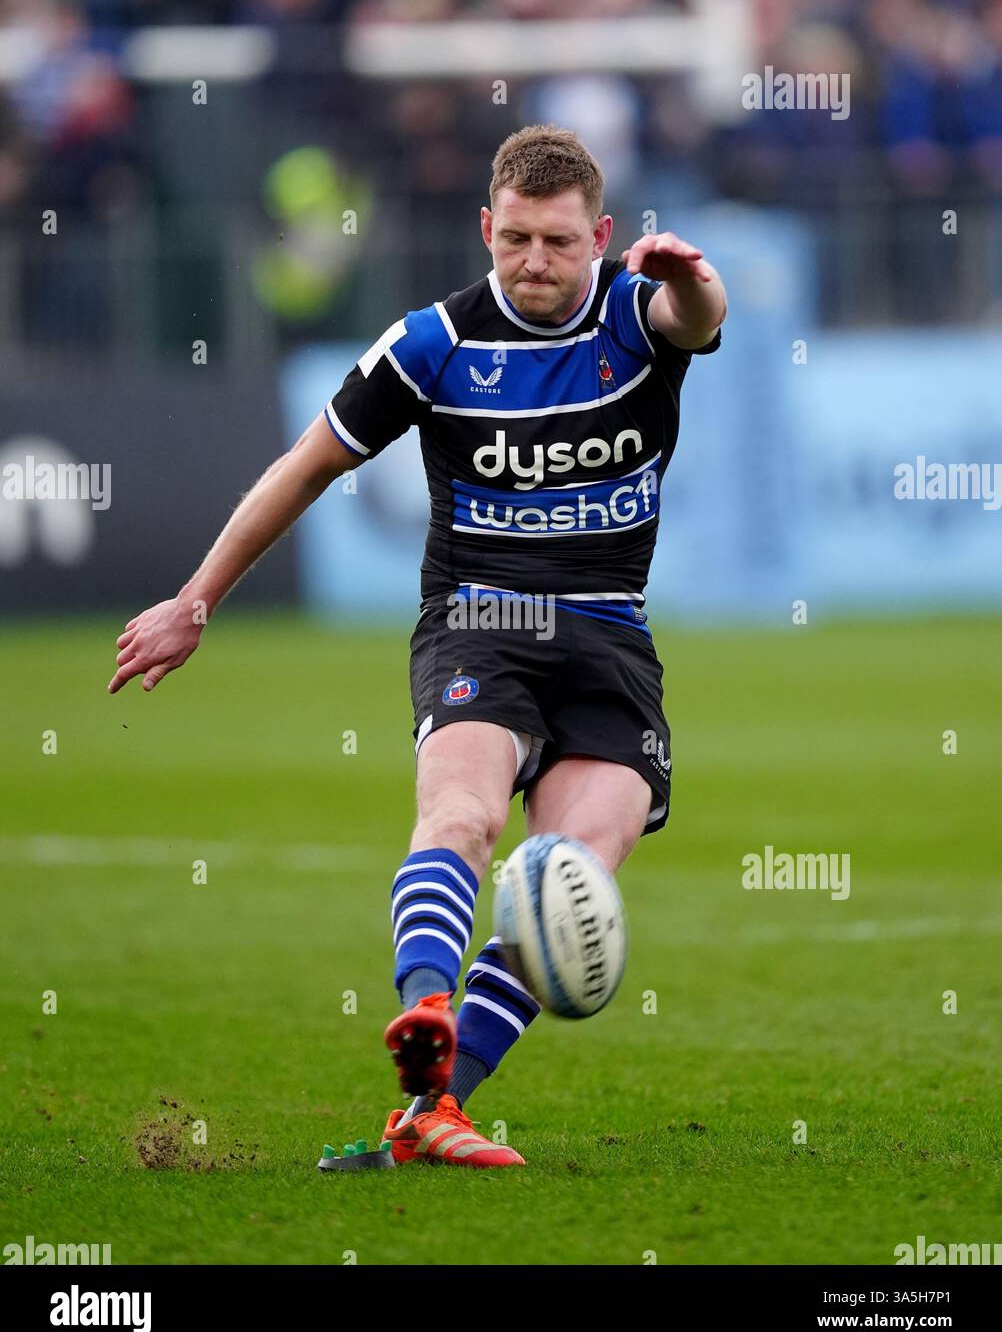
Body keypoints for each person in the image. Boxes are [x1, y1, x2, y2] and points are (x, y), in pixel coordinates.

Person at [109, 124, 727, 1168]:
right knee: (463, 814)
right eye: (517, 238)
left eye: (560, 243)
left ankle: (431, 1110)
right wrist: (194, 601)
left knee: (573, 874)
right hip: (478, 620)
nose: (535, 261)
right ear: (487, 227)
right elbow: (303, 467)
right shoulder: (430, 344)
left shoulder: (636, 314)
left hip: (612, 634)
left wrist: (696, 280)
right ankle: (426, 1005)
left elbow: (696, 320)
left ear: (602, 238)